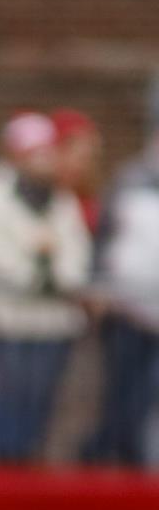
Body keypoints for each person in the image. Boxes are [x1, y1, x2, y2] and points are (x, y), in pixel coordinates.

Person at [0, 111, 91, 465]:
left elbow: (75, 248)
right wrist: (32, 272)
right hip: (9, 320)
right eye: (36, 153)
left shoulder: (60, 201)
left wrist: (60, 277)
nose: (44, 161)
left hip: (53, 321)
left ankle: (27, 472)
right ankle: (6, 475)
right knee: (8, 404)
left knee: (41, 404)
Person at [81, 109, 159, 469]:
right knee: (123, 392)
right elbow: (103, 239)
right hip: (126, 310)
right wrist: (99, 285)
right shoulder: (128, 181)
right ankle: (119, 459)